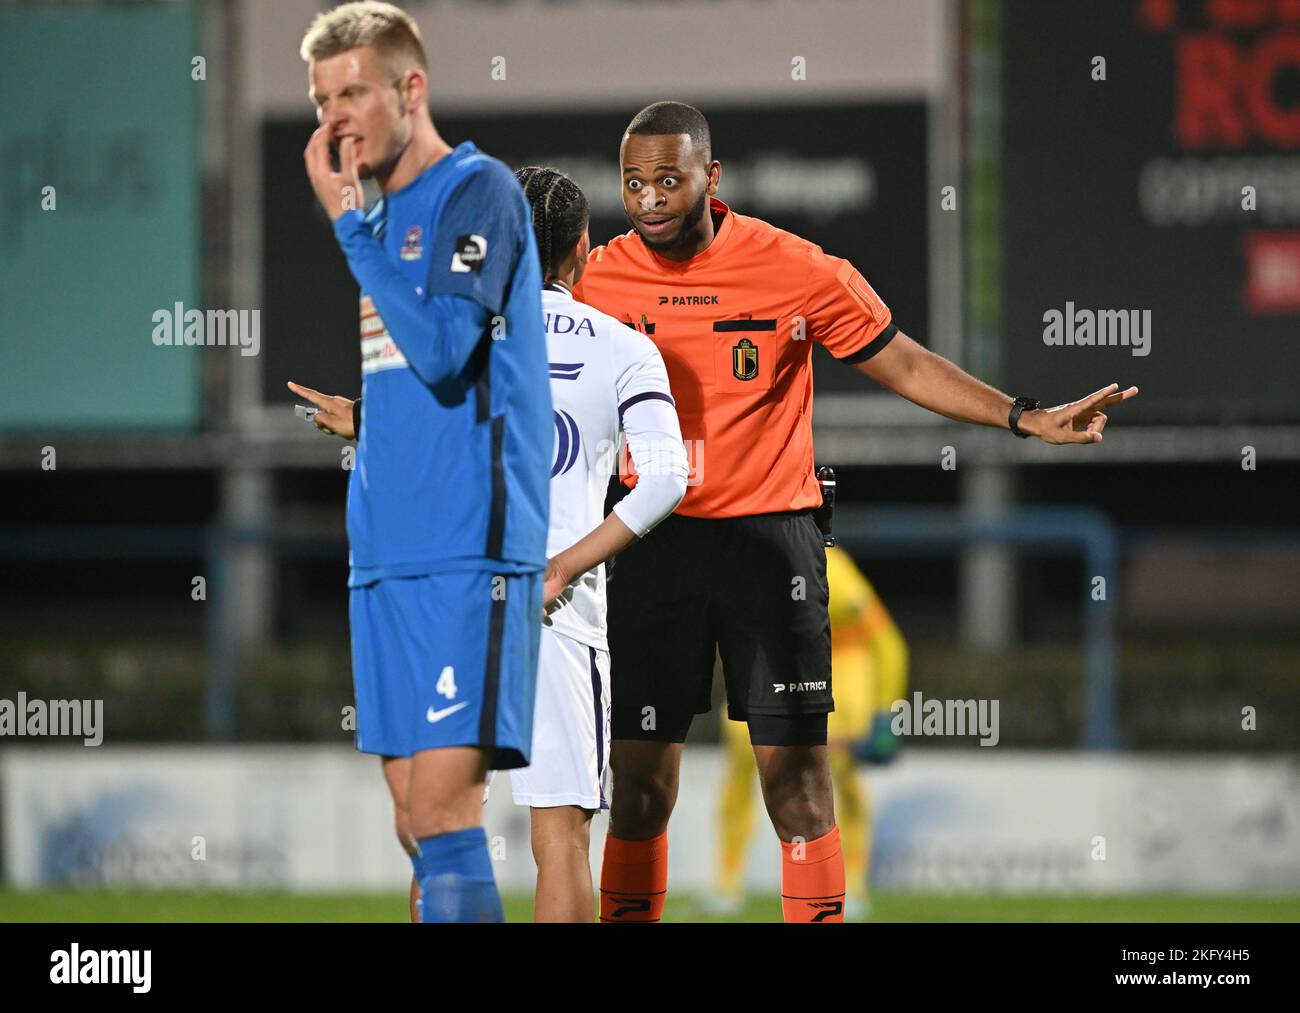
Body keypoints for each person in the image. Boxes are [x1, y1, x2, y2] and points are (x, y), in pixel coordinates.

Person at [577, 101, 1138, 923]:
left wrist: (1025, 415)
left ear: (711, 176)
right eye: (634, 182)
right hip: (649, 544)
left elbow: (906, 362)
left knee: (799, 783)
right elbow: (516, 373)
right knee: (637, 788)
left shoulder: (797, 268)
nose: (651, 198)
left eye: (669, 177)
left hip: (772, 547)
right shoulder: (596, 278)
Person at [292, 166, 689, 922]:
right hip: (554, 616)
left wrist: (367, 419)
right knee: (563, 840)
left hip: (451, 601)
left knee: (441, 830)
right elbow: (668, 481)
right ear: (583, 249)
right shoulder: (624, 350)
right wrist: (565, 566)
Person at [295, 2, 551, 923]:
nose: (336, 118)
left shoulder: (478, 192)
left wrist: (352, 234)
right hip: (387, 551)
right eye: (322, 99)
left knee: (445, 808)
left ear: (412, 88)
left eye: (354, 90)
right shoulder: (385, 215)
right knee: (415, 819)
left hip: (467, 552)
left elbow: (446, 352)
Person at [707, 545, 908, 919]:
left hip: (832, 682)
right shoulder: (738, 563)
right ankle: (727, 882)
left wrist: (887, 715)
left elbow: (886, 643)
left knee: (836, 783)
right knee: (742, 777)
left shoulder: (835, 571)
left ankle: (854, 885)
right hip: (768, 677)